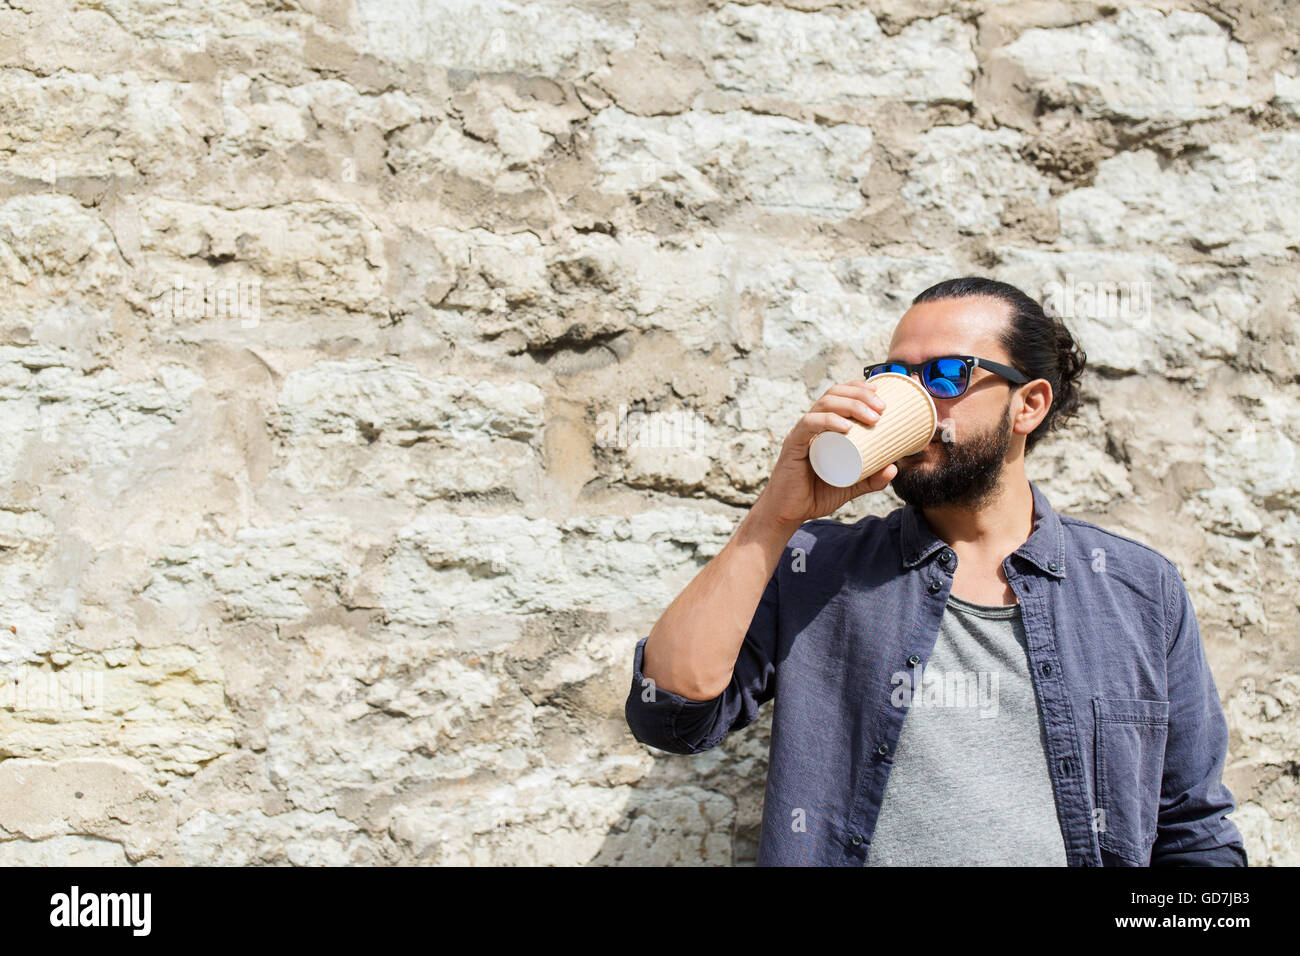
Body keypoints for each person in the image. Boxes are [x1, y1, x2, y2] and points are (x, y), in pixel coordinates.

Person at [624, 276, 1247, 867]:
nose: (915, 396)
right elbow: (670, 715)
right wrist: (773, 517)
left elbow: (1192, 826)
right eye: (894, 375)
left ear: (1028, 404)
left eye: (945, 375)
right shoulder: (817, 567)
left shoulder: (1136, 589)